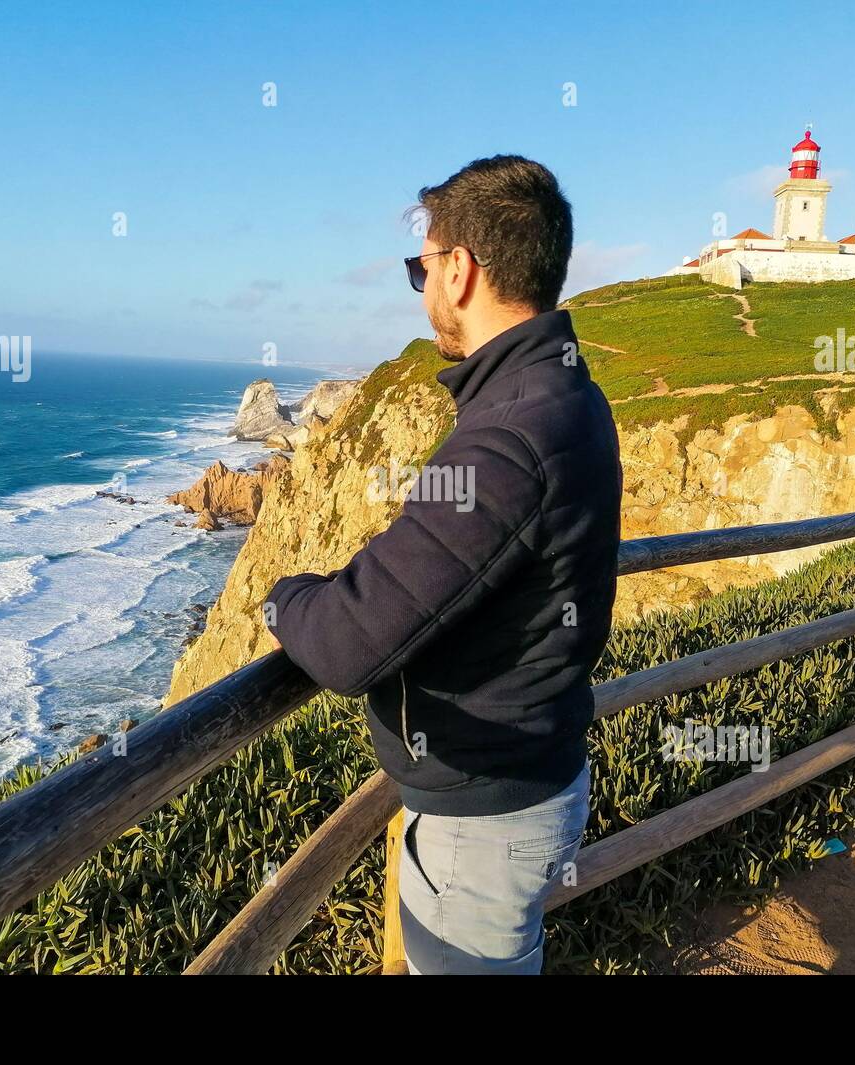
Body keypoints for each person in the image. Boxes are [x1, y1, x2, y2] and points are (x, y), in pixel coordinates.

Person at [264, 155, 622, 974]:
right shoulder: (566, 392)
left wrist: (283, 598)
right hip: (527, 782)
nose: (421, 290)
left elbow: (352, 643)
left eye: (420, 268)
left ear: (458, 269)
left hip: (485, 823)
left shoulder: (509, 436)